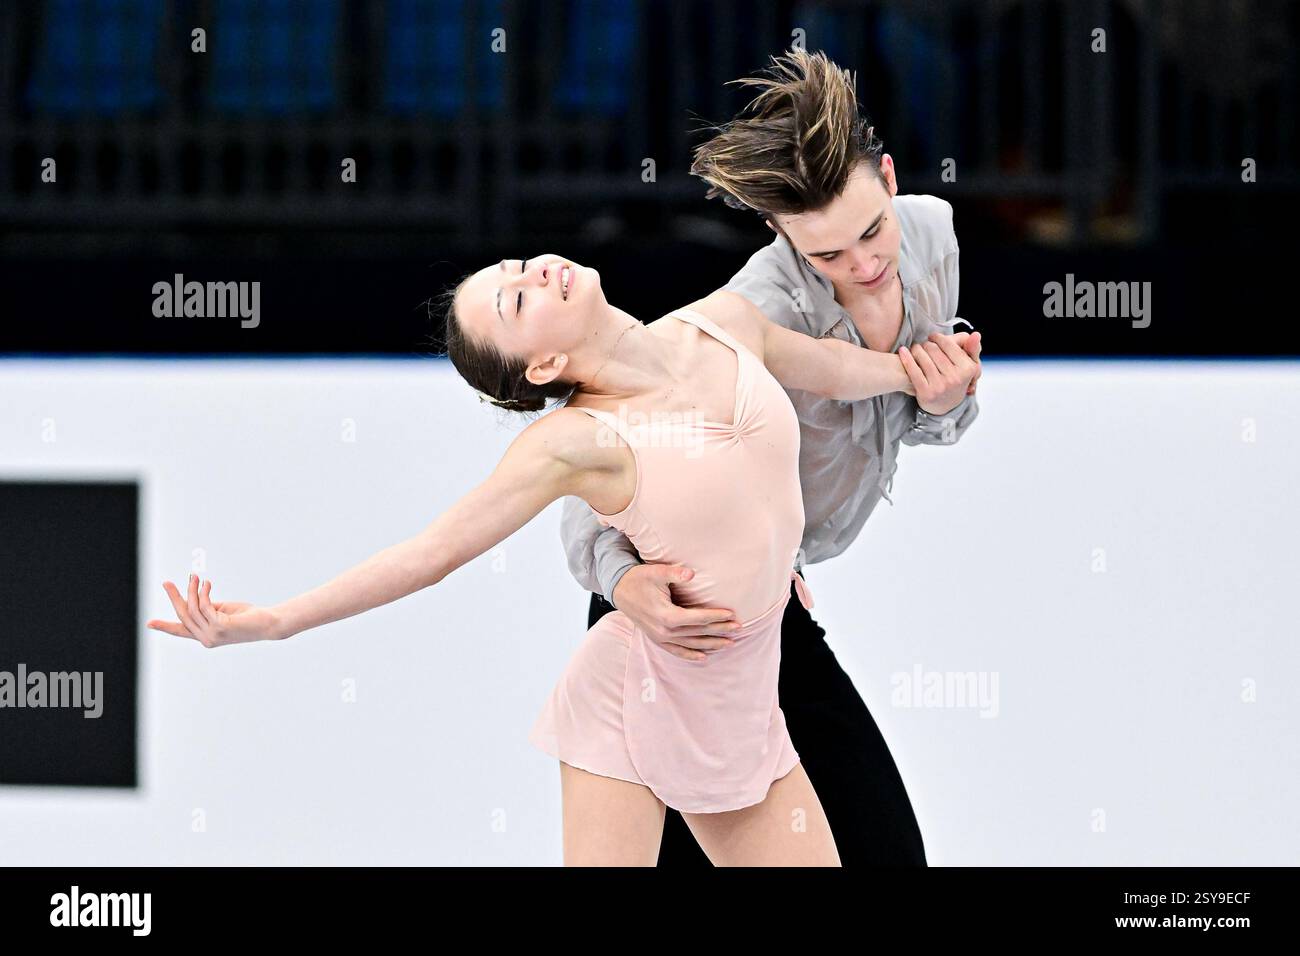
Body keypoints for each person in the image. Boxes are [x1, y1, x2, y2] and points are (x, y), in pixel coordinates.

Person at [147, 247, 979, 865]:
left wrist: (916, 379)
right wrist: (276, 622)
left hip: (742, 697)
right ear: (543, 366)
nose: (535, 272)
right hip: (636, 690)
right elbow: (434, 551)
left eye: (518, 267)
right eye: (515, 300)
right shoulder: (576, 441)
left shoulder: (720, 320)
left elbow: (832, 367)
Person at [560, 49, 982, 867]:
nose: (862, 264)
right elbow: (596, 469)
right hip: (668, 615)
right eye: (827, 256)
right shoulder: (753, 311)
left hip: (763, 608)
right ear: (779, 234)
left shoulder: (931, 237)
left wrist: (946, 401)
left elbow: (922, 419)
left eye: (871, 231)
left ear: (890, 178)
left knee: (883, 850)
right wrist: (622, 582)